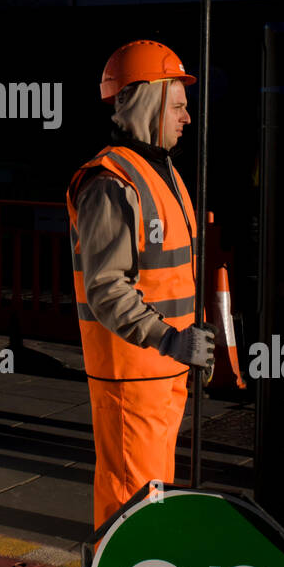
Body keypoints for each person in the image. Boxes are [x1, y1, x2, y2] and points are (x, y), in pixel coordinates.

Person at [66, 40, 215, 538]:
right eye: (177, 105)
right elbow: (106, 288)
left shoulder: (158, 171)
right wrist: (170, 339)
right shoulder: (111, 181)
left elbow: (171, 276)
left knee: (149, 503)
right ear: (149, 102)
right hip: (133, 375)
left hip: (161, 372)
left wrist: (189, 343)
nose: (187, 117)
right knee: (132, 506)